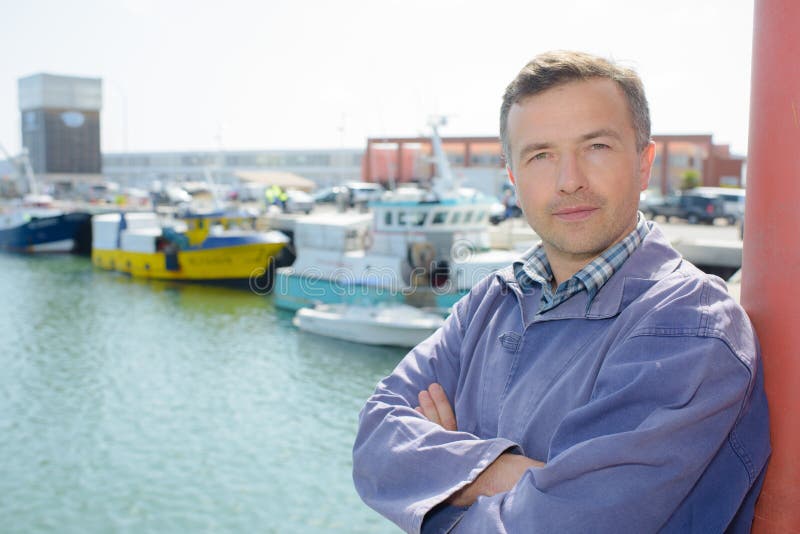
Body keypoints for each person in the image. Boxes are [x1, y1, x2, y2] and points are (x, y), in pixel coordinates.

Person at [352, 51, 770, 533]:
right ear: (513, 177)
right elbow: (375, 441)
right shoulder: (489, 303)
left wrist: (445, 474)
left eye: (596, 146)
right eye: (541, 155)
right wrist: (518, 476)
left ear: (643, 163)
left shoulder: (691, 325)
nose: (570, 181)